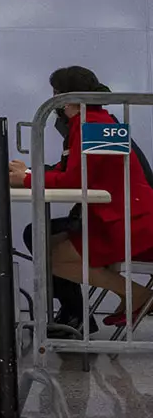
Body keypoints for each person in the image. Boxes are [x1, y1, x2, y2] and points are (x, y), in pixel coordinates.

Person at [12, 66, 153, 330]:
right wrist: (29, 175)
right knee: (48, 246)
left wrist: (26, 179)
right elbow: (76, 171)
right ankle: (114, 302)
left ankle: (138, 296)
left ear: (65, 97)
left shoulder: (94, 126)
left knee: (54, 259)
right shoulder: (97, 121)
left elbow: (76, 179)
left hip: (127, 223)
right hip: (123, 216)